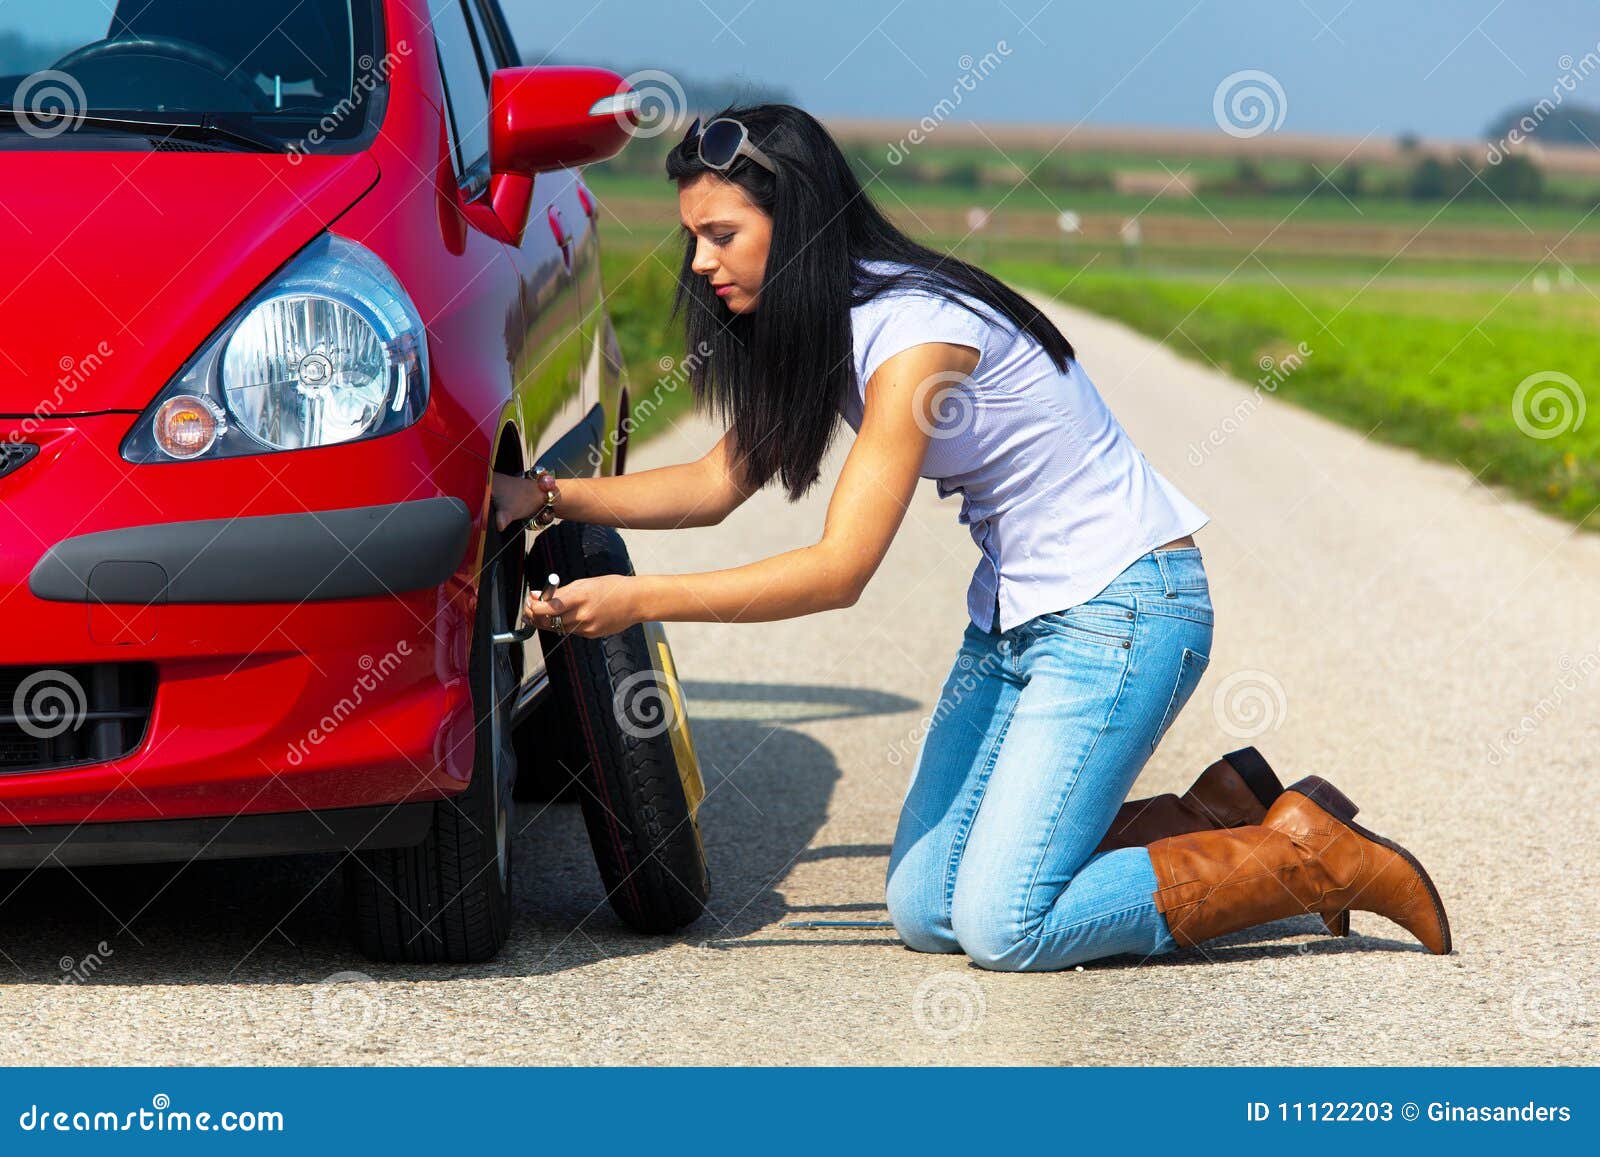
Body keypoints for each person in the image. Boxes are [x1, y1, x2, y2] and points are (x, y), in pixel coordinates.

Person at [489, 103, 1451, 971]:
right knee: (922, 905)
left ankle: (1301, 858)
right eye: (694, 236)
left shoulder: (915, 340)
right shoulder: (831, 325)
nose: (700, 262)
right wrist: (538, 495)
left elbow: (839, 570)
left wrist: (633, 601)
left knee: (1005, 926)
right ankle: (1211, 815)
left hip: (1123, 613)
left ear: (800, 222)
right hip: (1017, 624)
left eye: (722, 235)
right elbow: (710, 483)